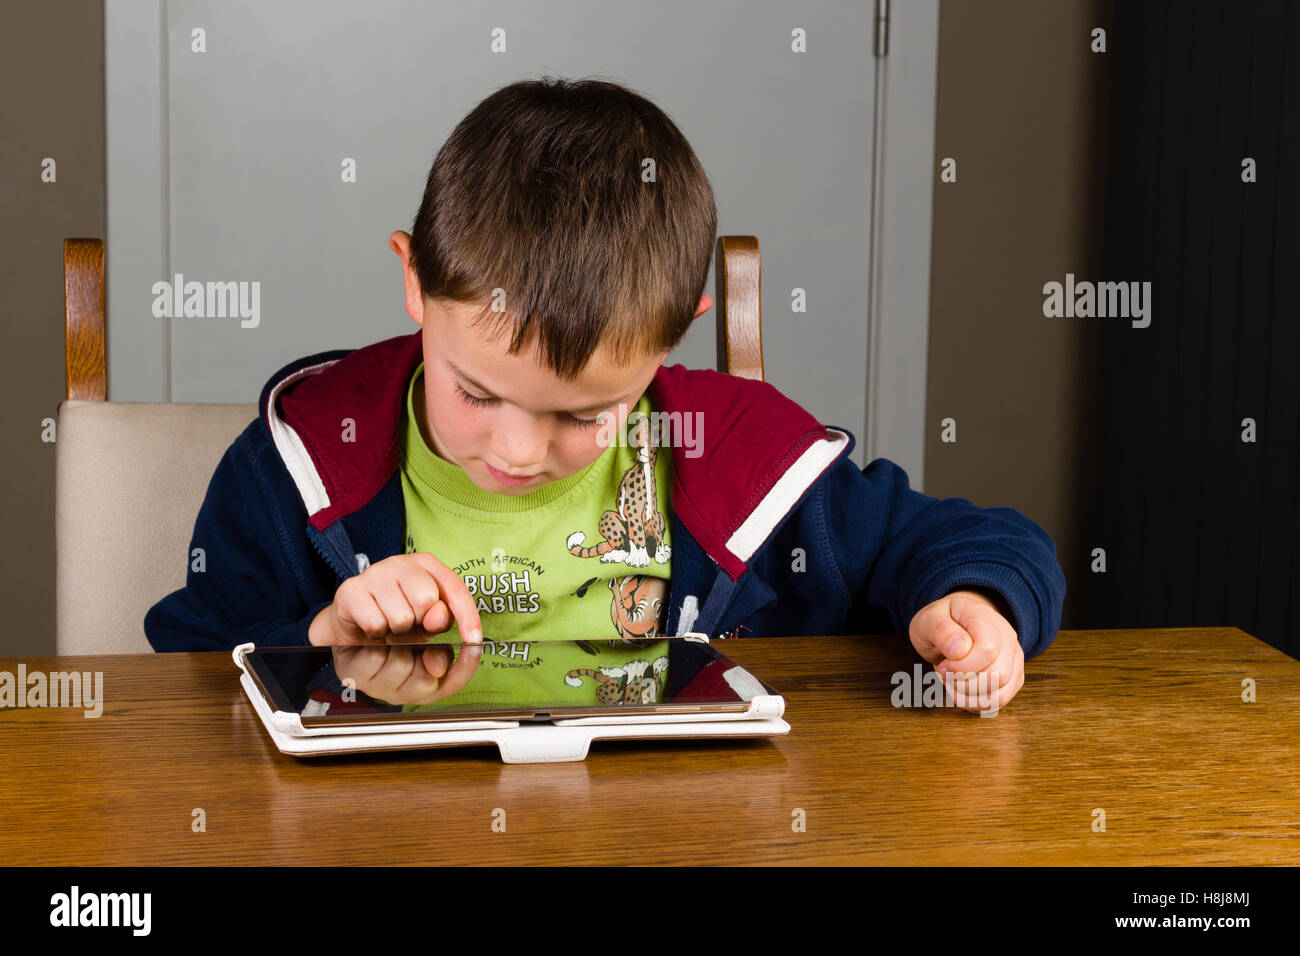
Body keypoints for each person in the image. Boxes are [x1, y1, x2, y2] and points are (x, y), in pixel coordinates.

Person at [145, 77, 1065, 716]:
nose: (514, 451)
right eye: (476, 393)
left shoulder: (739, 458)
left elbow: (970, 539)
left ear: (673, 337)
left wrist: (972, 603)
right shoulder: (298, 459)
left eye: (584, 415)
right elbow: (186, 659)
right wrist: (315, 640)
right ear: (415, 280)